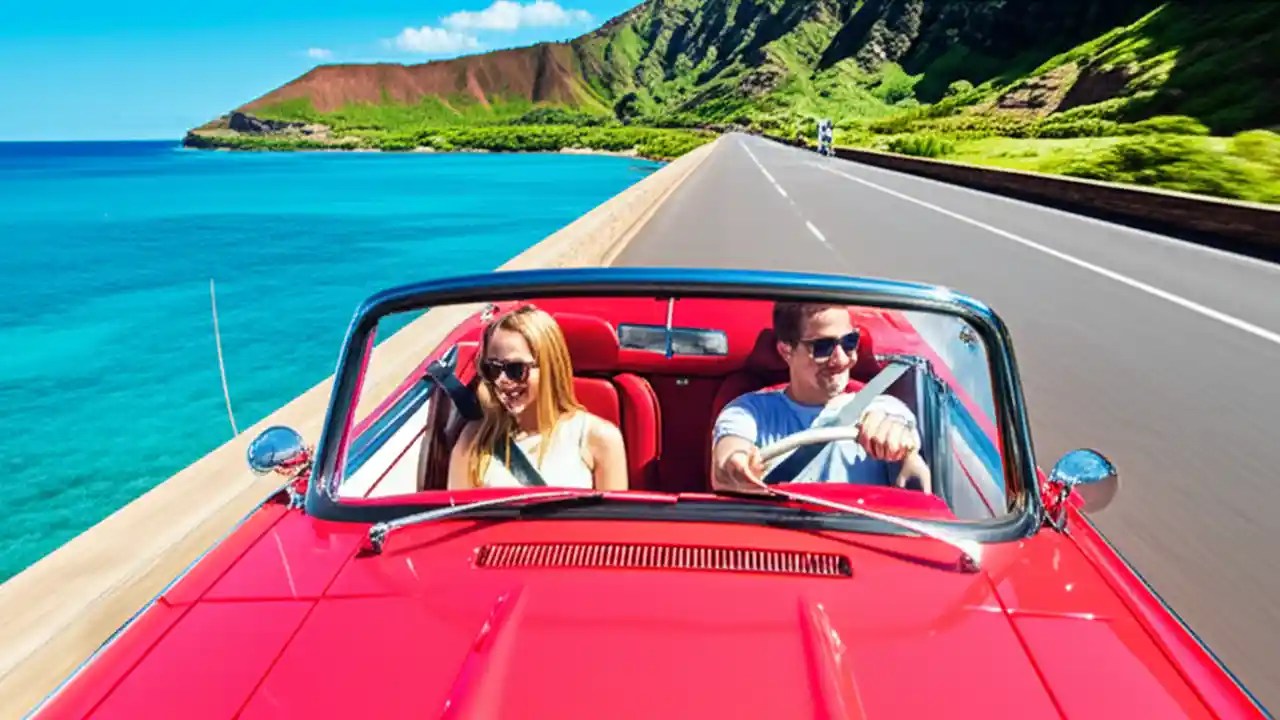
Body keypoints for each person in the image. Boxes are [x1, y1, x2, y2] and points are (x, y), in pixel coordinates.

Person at [712, 302, 931, 493]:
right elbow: (729, 454)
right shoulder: (749, 411)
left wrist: (897, 441)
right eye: (823, 347)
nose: (841, 359)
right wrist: (736, 465)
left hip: (859, 537)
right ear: (786, 351)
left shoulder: (884, 407)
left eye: (849, 342)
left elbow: (899, 429)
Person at [447, 305, 628, 491]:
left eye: (516, 370)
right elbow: (455, 517)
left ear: (549, 367)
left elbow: (616, 519)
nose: (501, 380)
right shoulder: (475, 437)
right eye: (492, 369)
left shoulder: (600, 438)